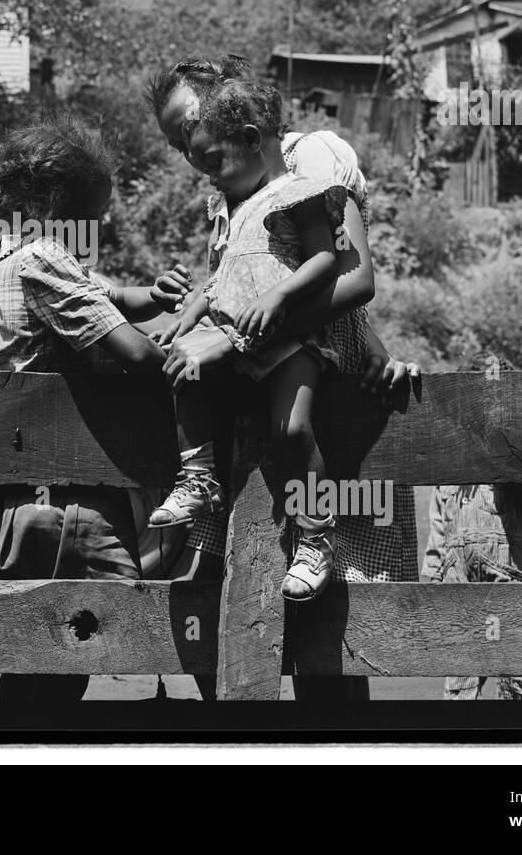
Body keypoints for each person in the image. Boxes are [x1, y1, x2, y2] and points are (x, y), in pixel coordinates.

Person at [146, 53, 417, 700]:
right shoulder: (229, 187)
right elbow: (239, 282)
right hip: (255, 399)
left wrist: (242, 333)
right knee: (231, 613)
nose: (188, 151)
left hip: (322, 389)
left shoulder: (313, 160)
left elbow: (353, 279)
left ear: (231, 107)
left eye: (190, 127)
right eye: (176, 141)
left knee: (330, 637)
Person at [0, 115, 190, 700]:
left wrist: (151, 299)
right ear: (64, 205)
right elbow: (132, 350)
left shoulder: (32, 253)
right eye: (97, 213)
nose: (102, 223)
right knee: (66, 643)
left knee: (53, 657)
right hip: (53, 486)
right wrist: (191, 358)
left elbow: (108, 298)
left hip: (44, 473)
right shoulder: (44, 261)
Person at [151, 77, 346, 602]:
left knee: (293, 429)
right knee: (185, 375)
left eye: (214, 160)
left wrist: (280, 296)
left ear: (253, 138)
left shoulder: (299, 191)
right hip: (233, 340)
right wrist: (186, 319)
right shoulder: (233, 204)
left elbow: (327, 258)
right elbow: (219, 278)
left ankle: (315, 537)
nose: (208, 175)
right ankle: (197, 478)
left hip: (288, 343)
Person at [421, 352, 522, 701]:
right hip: (457, 572)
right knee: (460, 678)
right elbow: (438, 524)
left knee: (519, 676)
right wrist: (432, 577)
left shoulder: (520, 449)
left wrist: (506, 447)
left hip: (509, 562)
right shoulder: (452, 456)